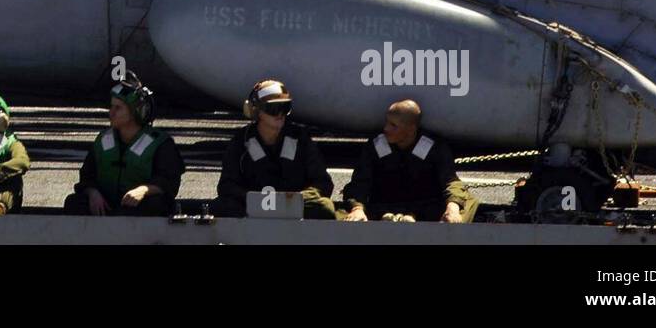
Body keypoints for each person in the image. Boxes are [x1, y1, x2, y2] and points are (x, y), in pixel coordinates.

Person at [64, 72, 184, 217]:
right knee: (74, 202)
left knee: (155, 204)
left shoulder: (160, 144)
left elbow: (168, 182)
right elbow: (87, 177)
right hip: (106, 204)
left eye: (118, 108)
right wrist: (93, 192)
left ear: (135, 112)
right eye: (111, 107)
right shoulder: (104, 140)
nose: (111, 112)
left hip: (137, 205)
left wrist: (143, 190)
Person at [212, 78, 336, 219]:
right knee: (221, 207)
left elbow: (322, 182)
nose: (280, 115)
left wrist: (295, 198)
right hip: (251, 205)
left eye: (284, 108)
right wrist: (252, 198)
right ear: (256, 111)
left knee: (324, 207)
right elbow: (226, 185)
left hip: (294, 205)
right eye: (273, 109)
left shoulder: (300, 138)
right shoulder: (241, 141)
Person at [341, 99, 479, 223]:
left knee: (467, 203)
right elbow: (359, 182)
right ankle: (392, 217)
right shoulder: (376, 145)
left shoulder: (434, 147)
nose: (386, 129)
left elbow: (450, 181)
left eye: (393, 125)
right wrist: (357, 208)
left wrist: (452, 208)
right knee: (339, 215)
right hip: (384, 205)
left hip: (426, 207)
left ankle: (418, 220)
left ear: (411, 129)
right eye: (387, 123)